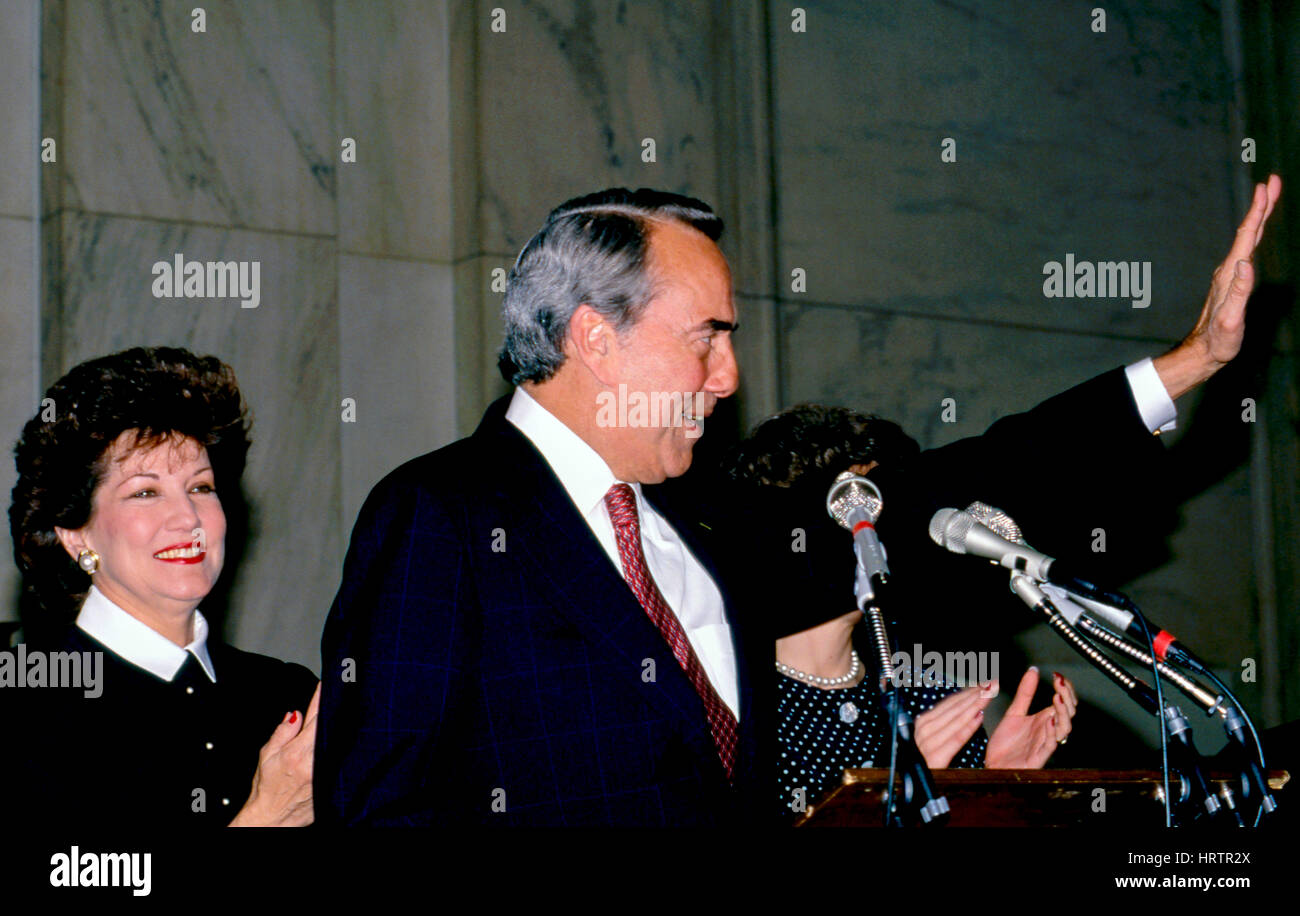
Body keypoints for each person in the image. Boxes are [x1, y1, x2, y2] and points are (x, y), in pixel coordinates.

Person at [317, 188, 761, 826]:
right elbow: (380, 809)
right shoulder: (440, 516)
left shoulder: (712, 524)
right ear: (597, 339)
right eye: (706, 339)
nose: (727, 377)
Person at [3, 346, 319, 826]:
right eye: (145, 492)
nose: (188, 518)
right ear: (75, 533)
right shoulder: (26, 717)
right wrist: (266, 818)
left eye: (201, 487)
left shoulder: (287, 697)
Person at [722, 408, 1077, 819]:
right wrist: (894, 794)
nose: (882, 530)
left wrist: (994, 785)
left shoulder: (926, 693)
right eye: (854, 509)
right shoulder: (732, 707)